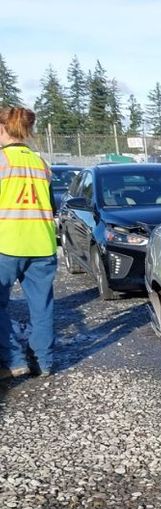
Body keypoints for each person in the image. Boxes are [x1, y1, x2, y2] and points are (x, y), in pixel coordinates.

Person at [0, 106, 58, 379]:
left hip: (7, 244)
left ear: (3, 128)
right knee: (42, 307)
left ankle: (13, 360)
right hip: (42, 245)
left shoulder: (2, 161)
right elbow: (51, 206)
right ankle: (43, 362)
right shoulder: (41, 164)